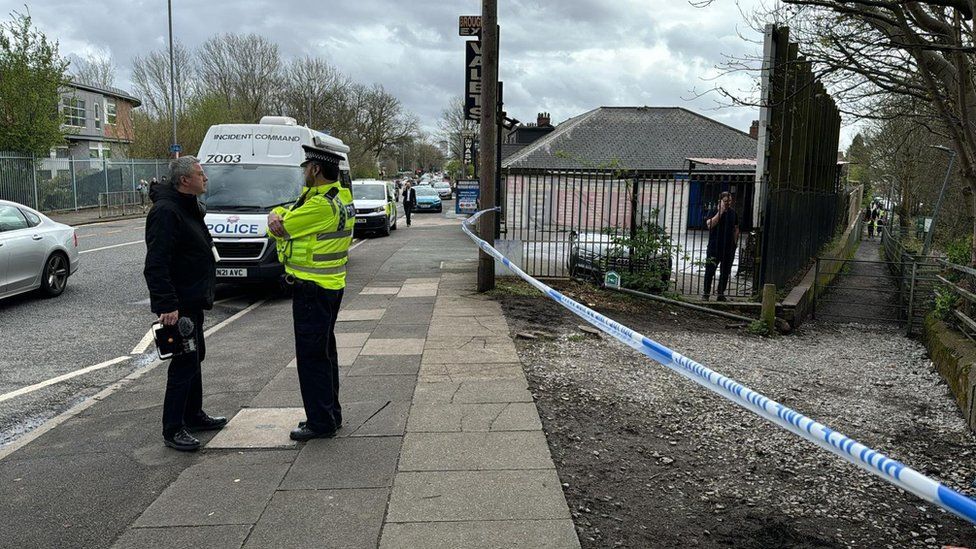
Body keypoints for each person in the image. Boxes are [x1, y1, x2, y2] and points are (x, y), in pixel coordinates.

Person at [267, 144, 355, 441]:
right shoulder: (339, 197)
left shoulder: (318, 206)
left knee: (311, 358)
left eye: (305, 167)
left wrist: (273, 217)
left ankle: (320, 422)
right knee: (325, 353)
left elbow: (279, 228)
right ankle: (331, 414)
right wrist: (278, 211)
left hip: (312, 289)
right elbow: (288, 210)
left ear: (315, 169)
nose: (303, 172)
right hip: (330, 285)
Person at [144, 156, 226, 451]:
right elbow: (156, 263)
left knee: (195, 356)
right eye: (200, 174)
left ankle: (193, 415)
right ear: (184, 181)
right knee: (183, 361)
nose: (205, 179)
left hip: (192, 299)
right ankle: (173, 428)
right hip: (178, 304)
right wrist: (167, 305)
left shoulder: (188, 207)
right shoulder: (166, 212)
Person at [702, 191, 739, 302]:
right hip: (714, 246)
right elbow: (709, 225)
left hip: (728, 248)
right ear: (720, 201)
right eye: (726, 201)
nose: (728, 203)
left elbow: (736, 228)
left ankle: (720, 293)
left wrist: (735, 243)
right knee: (710, 270)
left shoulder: (733, 213)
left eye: (730, 201)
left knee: (725, 272)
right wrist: (720, 212)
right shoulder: (713, 211)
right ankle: (706, 293)